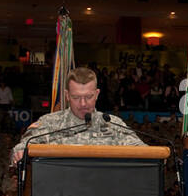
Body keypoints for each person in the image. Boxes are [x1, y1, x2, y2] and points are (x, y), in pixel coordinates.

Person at [9, 67, 143, 163]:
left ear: (96, 94)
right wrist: (20, 152)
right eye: (76, 97)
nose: (83, 103)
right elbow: (24, 146)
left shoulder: (112, 124)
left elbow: (143, 151)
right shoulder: (50, 123)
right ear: (67, 95)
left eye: (88, 97)